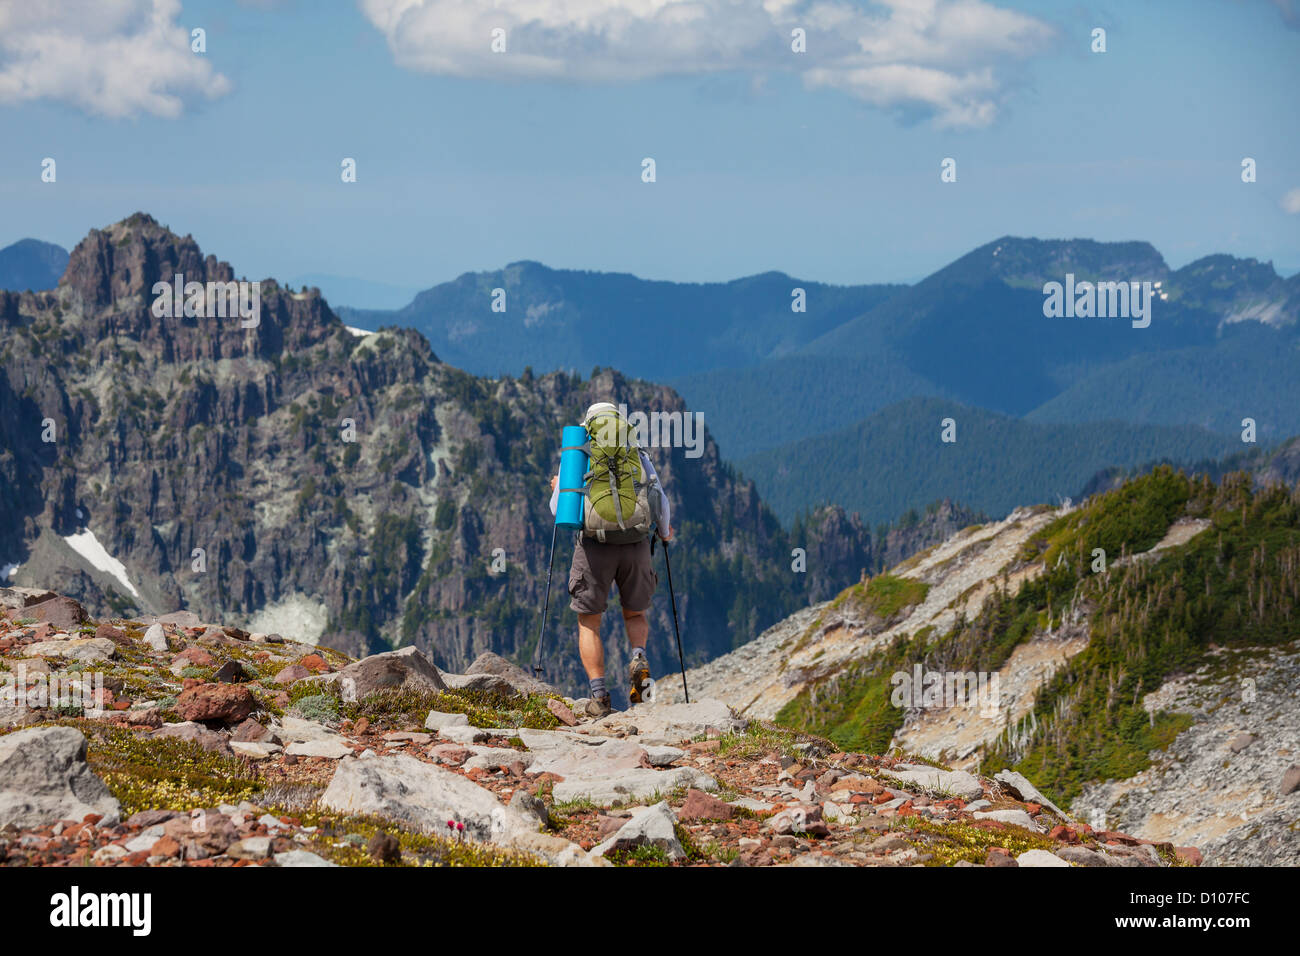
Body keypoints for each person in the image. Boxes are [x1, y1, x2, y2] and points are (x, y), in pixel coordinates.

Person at [549, 401, 672, 717]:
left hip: (594, 549)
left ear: (589, 426)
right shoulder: (638, 455)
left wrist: (557, 488)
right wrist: (666, 532)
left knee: (589, 622)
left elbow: (558, 511)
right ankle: (639, 665)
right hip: (636, 545)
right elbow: (660, 500)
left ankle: (599, 698)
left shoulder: (579, 456)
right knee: (635, 615)